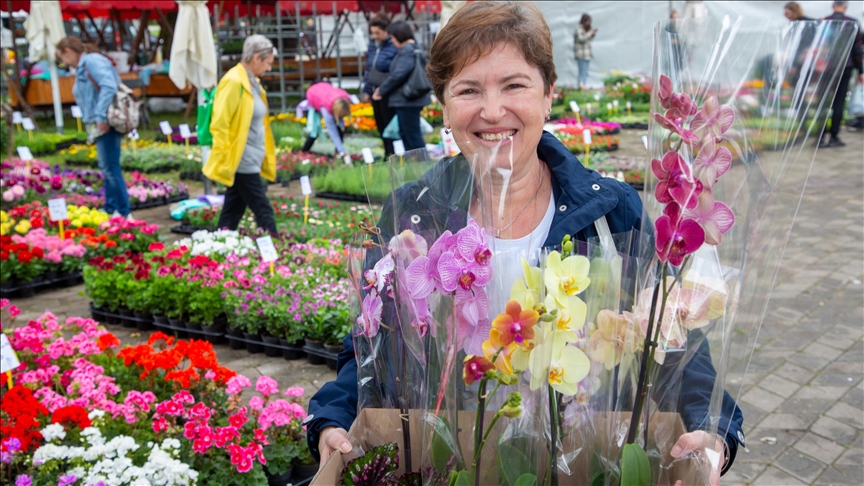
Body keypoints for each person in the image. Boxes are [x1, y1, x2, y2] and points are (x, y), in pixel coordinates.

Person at [308, 3, 744, 484]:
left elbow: (675, 343)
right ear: (445, 106)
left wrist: (713, 429)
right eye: (469, 90)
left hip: (580, 462)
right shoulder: (414, 215)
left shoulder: (610, 215)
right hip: (448, 465)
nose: (492, 111)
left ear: (549, 94)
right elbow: (373, 347)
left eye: (514, 85)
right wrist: (332, 419)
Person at [203, 35, 278, 235]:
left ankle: (220, 242)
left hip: (250, 157)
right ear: (256, 58)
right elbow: (220, 123)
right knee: (263, 210)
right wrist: (226, 156)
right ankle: (277, 253)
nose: (269, 68)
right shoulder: (233, 81)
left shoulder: (251, 81)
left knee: (232, 211)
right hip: (242, 159)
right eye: (268, 63)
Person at [56, 37, 131, 218]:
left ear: (68, 51)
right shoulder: (87, 62)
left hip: (106, 120)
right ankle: (111, 208)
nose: (63, 63)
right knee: (107, 167)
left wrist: (100, 116)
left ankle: (123, 212)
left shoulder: (91, 60)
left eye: (62, 58)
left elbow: (108, 87)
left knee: (111, 168)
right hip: (100, 120)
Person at [372, 21, 431, 151]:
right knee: (408, 133)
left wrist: (381, 90)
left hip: (407, 99)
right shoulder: (416, 47)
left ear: (399, 36)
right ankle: (414, 165)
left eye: (393, 37)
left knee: (411, 135)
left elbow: (398, 75)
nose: (392, 41)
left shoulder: (407, 51)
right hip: (411, 98)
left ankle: (422, 165)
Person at [819, 0, 864, 147]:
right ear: (846, 6)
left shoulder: (824, 21)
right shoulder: (852, 23)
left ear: (832, 6)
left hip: (825, 67)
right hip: (846, 66)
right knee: (839, 102)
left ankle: (819, 138)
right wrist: (860, 71)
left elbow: (817, 45)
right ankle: (834, 137)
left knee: (823, 101)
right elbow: (857, 49)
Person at [363, 13, 399, 157]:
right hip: (373, 91)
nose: (375, 36)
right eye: (373, 33)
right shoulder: (372, 45)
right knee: (380, 124)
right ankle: (387, 153)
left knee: (389, 124)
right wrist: (366, 90)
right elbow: (368, 69)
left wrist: (384, 88)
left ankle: (395, 153)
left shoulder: (393, 46)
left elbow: (396, 71)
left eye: (378, 33)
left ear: (386, 31)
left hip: (388, 92)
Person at [300, 82, 353, 156]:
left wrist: (342, 123)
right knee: (314, 131)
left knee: (340, 130)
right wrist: (342, 150)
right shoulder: (326, 109)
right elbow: (332, 131)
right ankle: (303, 153)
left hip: (324, 90)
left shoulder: (346, 98)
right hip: (313, 95)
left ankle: (337, 155)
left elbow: (342, 112)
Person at [573, 14, 596, 89]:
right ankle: (581, 87)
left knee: (585, 72)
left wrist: (592, 34)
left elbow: (588, 40)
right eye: (587, 21)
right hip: (581, 54)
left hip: (587, 55)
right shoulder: (578, 28)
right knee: (582, 71)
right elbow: (581, 39)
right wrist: (589, 33)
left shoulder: (585, 29)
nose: (588, 23)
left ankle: (583, 86)